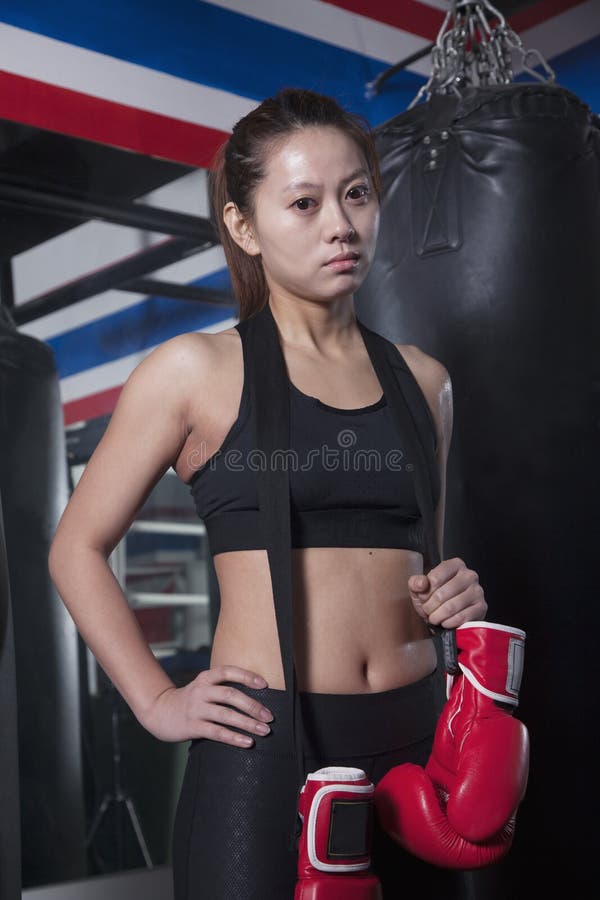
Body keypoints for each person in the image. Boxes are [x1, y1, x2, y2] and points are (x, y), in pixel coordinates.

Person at [48, 88, 487, 899]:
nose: (340, 224)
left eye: (356, 193)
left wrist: (453, 588)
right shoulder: (195, 371)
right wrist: (156, 701)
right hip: (268, 749)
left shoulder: (427, 381)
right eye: (304, 202)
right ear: (243, 227)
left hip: (419, 739)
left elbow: (416, 557)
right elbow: (74, 547)